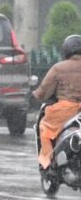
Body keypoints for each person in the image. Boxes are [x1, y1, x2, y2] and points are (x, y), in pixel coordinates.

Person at [33, 34, 81, 170]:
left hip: (65, 110)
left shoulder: (59, 68)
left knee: (45, 127)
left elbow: (43, 91)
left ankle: (48, 163)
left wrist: (36, 94)